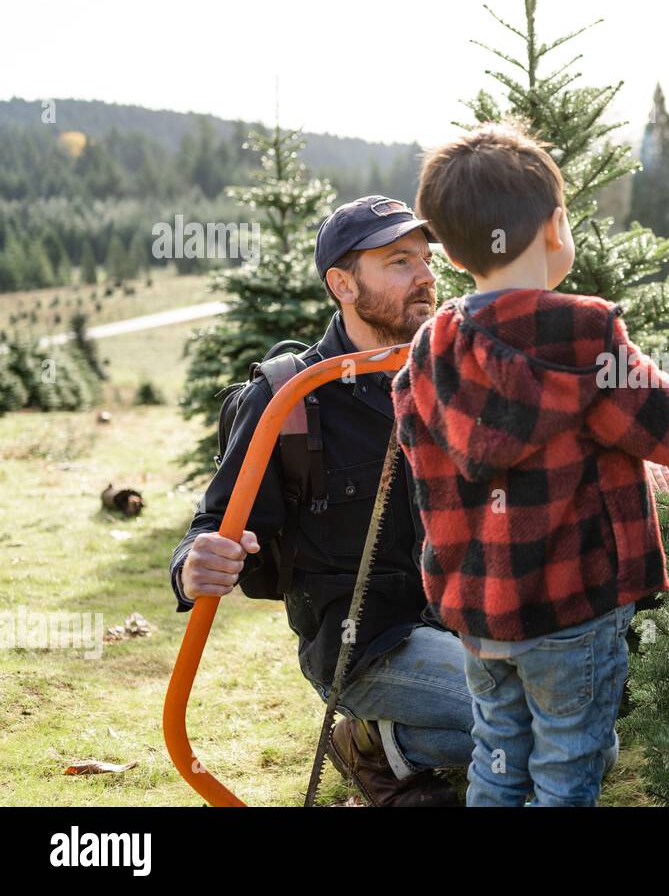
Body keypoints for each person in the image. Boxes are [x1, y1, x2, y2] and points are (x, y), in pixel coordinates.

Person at [391, 122, 669, 806]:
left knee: (498, 759)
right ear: (557, 227)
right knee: (569, 764)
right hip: (570, 613)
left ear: (457, 253)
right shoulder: (582, 335)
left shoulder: (429, 348)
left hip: (477, 615)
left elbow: (480, 456)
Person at [169, 195, 470, 806]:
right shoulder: (292, 398)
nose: (425, 275)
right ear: (343, 284)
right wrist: (192, 567)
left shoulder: (455, 371)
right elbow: (214, 525)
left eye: (424, 258)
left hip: (468, 620)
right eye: (397, 261)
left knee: (582, 726)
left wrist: (628, 453)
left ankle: (381, 750)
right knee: (534, 719)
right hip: (369, 645)